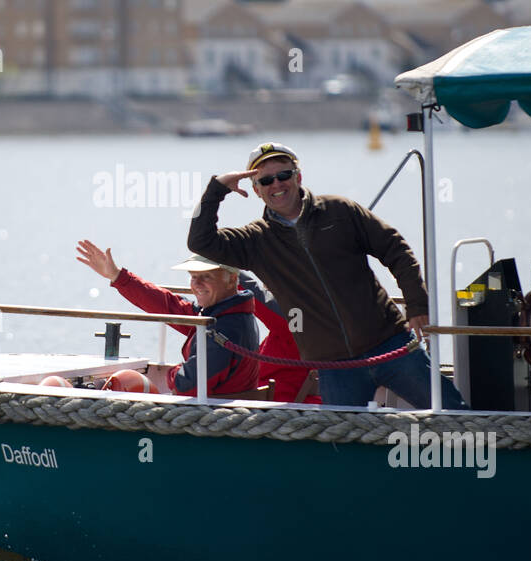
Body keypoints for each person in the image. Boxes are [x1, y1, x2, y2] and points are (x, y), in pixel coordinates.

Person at [188, 142, 467, 409]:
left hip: (392, 344)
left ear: (298, 176)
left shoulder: (340, 210)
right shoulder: (254, 240)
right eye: (266, 180)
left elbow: (396, 250)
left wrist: (417, 305)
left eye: (284, 175)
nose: (277, 184)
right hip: (335, 366)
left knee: (454, 415)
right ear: (257, 190)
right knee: (344, 450)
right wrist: (216, 190)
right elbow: (200, 242)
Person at [75, 240, 260, 397]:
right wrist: (117, 276)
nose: (197, 284)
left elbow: (187, 386)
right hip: (221, 415)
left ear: (231, 279)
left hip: (209, 423)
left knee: (121, 382)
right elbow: (169, 306)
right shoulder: (228, 315)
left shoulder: (222, 327)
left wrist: (172, 371)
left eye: (206, 276)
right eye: (193, 276)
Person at [237, 272, 322, 404]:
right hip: (282, 404)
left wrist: (230, 272)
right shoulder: (312, 319)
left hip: (281, 406)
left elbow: (259, 299)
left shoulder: (296, 324)